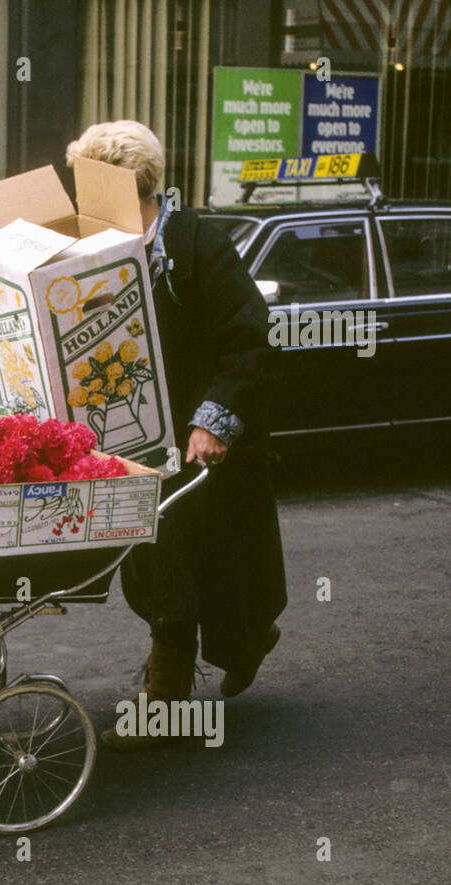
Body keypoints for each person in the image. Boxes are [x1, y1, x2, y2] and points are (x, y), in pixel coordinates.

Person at [64, 120, 287, 750]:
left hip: (200, 437)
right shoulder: (88, 248)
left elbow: (251, 339)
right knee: (153, 558)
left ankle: (219, 659)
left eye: (89, 182)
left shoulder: (198, 246)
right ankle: (170, 688)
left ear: (125, 183)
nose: (80, 198)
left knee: (213, 562)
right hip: (127, 435)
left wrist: (212, 420)